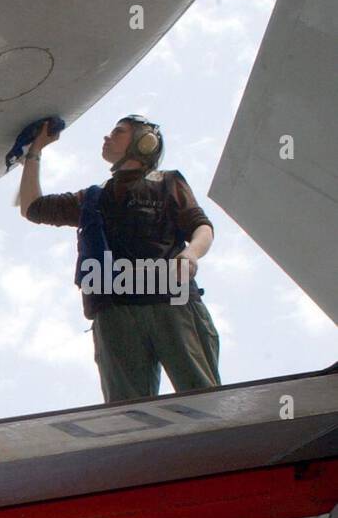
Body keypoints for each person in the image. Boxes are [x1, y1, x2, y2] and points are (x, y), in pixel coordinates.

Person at [18, 115, 221, 402]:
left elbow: (200, 226)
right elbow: (33, 209)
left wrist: (191, 253)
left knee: (204, 399)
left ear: (145, 141)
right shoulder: (93, 198)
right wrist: (34, 152)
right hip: (115, 312)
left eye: (118, 131)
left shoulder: (168, 182)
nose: (107, 137)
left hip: (170, 300)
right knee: (127, 414)